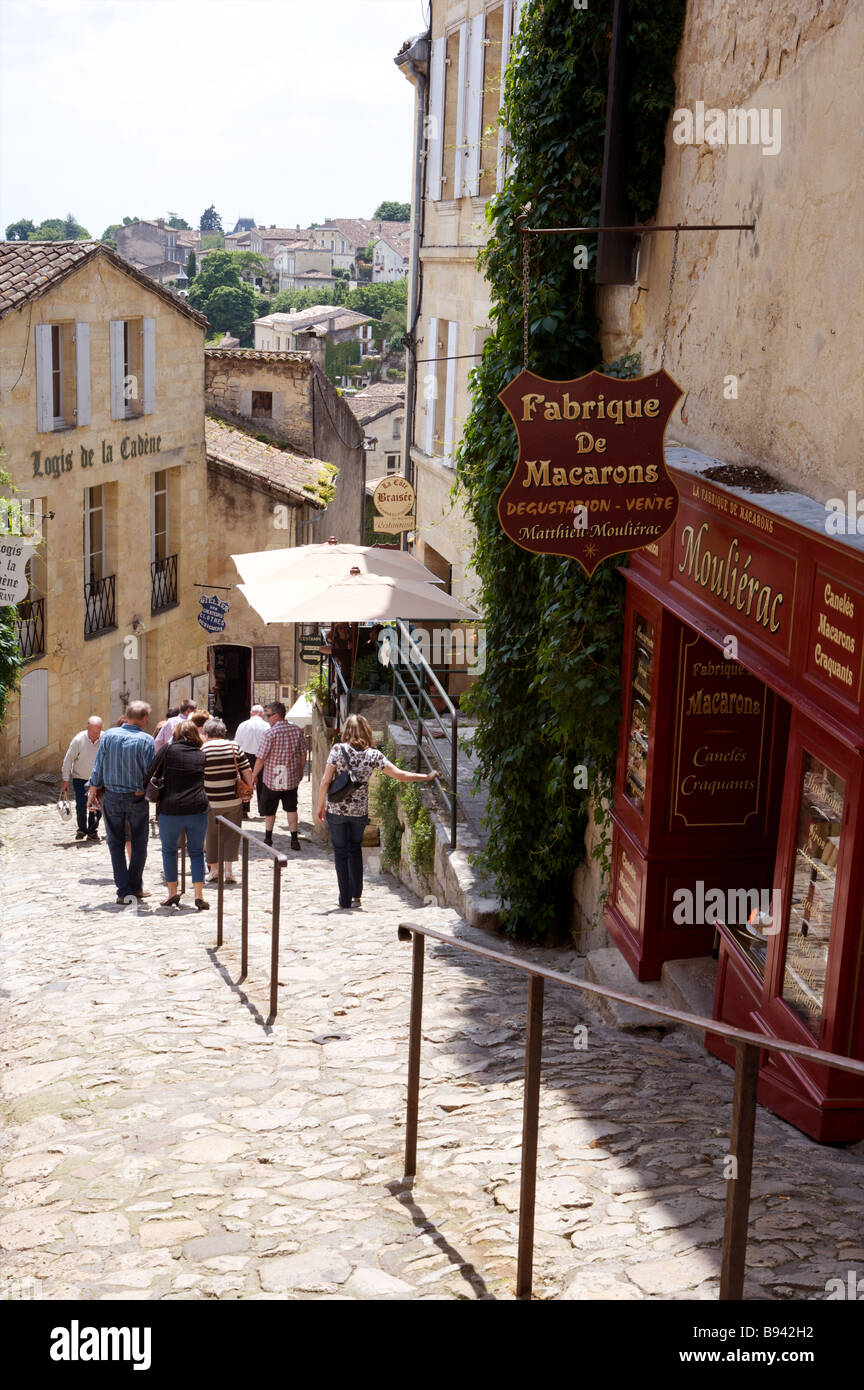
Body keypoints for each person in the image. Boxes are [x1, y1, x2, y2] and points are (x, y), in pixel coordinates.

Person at [317, 714, 439, 910]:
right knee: (355, 848)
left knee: (341, 852)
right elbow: (400, 774)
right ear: (366, 731)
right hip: (359, 813)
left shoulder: (337, 750)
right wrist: (426, 776)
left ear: (346, 730)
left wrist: (320, 805)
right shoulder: (374, 755)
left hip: (336, 810)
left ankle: (345, 899)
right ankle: (357, 896)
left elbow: (325, 780)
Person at [87, 701, 155, 904]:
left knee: (115, 843)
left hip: (113, 796)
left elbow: (98, 765)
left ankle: (123, 891)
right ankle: (135, 886)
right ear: (144, 719)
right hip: (136, 797)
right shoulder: (146, 740)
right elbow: (149, 772)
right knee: (139, 844)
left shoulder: (108, 736)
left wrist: (92, 793)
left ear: (126, 716)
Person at [145, 720, 210, 910]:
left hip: (170, 807)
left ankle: (172, 893)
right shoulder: (201, 754)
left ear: (176, 734)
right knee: (197, 852)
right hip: (197, 806)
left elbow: (150, 772)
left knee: (169, 851)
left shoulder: (168, 749)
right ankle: (199, 895)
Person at [200, 718, 253, 884]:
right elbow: (247, 770)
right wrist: (249, 788)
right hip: (232, 800)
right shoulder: (234, 746)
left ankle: (214, 870)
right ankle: (229, 871)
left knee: (211, 834)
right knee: (231, 834)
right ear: (223, 732)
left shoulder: (203, 749)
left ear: (206, 734)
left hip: (211, 801)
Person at [251, 701, 305, 850]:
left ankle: (268, 838)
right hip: (291, 777)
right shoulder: (297, 730)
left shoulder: (270, 733)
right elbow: (302, 753)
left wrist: (254, 775)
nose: (267, 719)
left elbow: (261, 758)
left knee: (269, 810)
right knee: (291, 808)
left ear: (275, 716)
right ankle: (294, 839)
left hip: (272, 779)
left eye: (268, 715)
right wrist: (300, 771)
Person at [61, 715, 103, 840]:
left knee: (96, 806)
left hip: (97, 779)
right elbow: (68, 760)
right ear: (87, 728)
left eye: (99, 731)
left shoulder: (105, 738)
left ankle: (92, 830)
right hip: (80, 778)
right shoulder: (78, 740)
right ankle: (82, 829)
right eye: (94, 731)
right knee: (81, 804)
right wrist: (65, 779)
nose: (97, 734)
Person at [234, 704, 269, 819]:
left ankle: (244, 809)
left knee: (245, 782)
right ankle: (263, 809)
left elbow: (236, 743)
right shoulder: (266, 725)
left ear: (251, 713)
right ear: (262, 714)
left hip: (245, 756)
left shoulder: (242, 725)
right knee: (262, 783)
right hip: (261, 756)